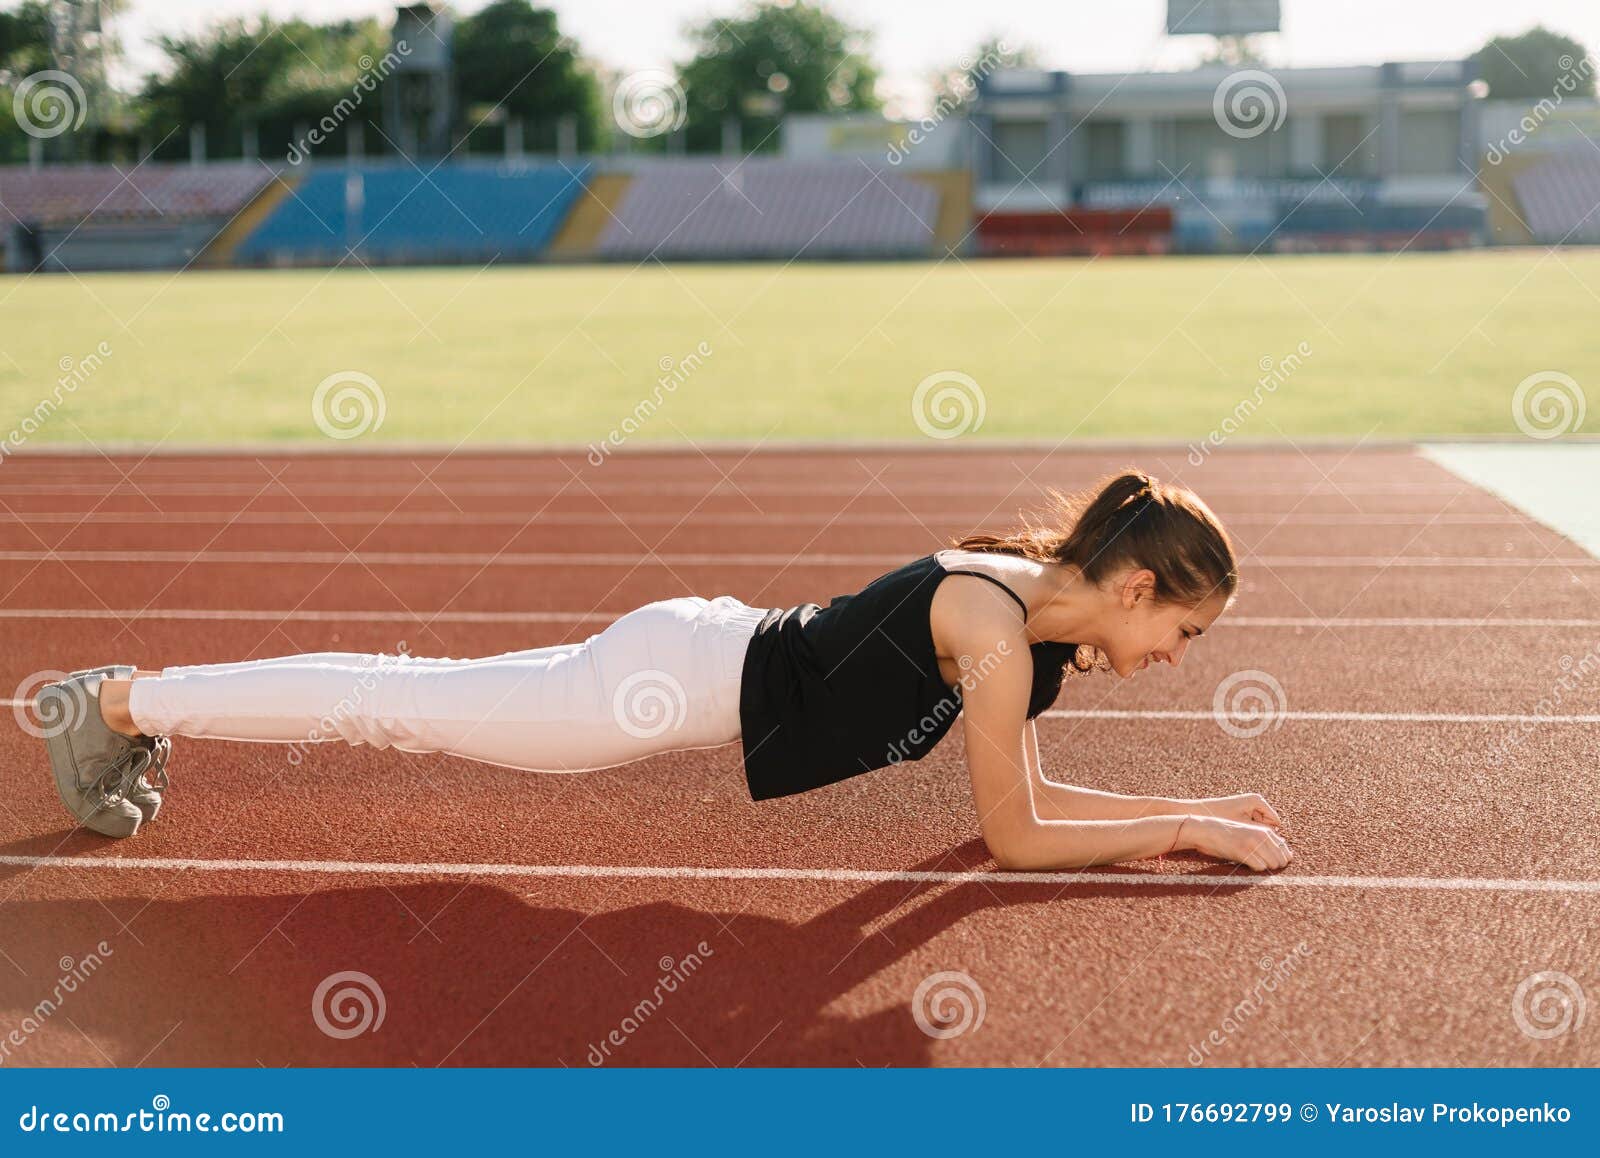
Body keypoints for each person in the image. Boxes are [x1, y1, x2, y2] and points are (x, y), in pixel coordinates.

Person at [39, 469, 1291, 872]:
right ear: (1139, 587)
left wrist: (1190, 821)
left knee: (403, 694)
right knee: (393, 707)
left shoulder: (1032, 621)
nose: (1171, 661)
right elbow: (1012, 839)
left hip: (685, 649)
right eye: (1182, 636)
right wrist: (1184, 829)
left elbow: (1027, 803)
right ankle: (115, 702)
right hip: (651, 689)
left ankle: (133, 702)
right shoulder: (999, 631)